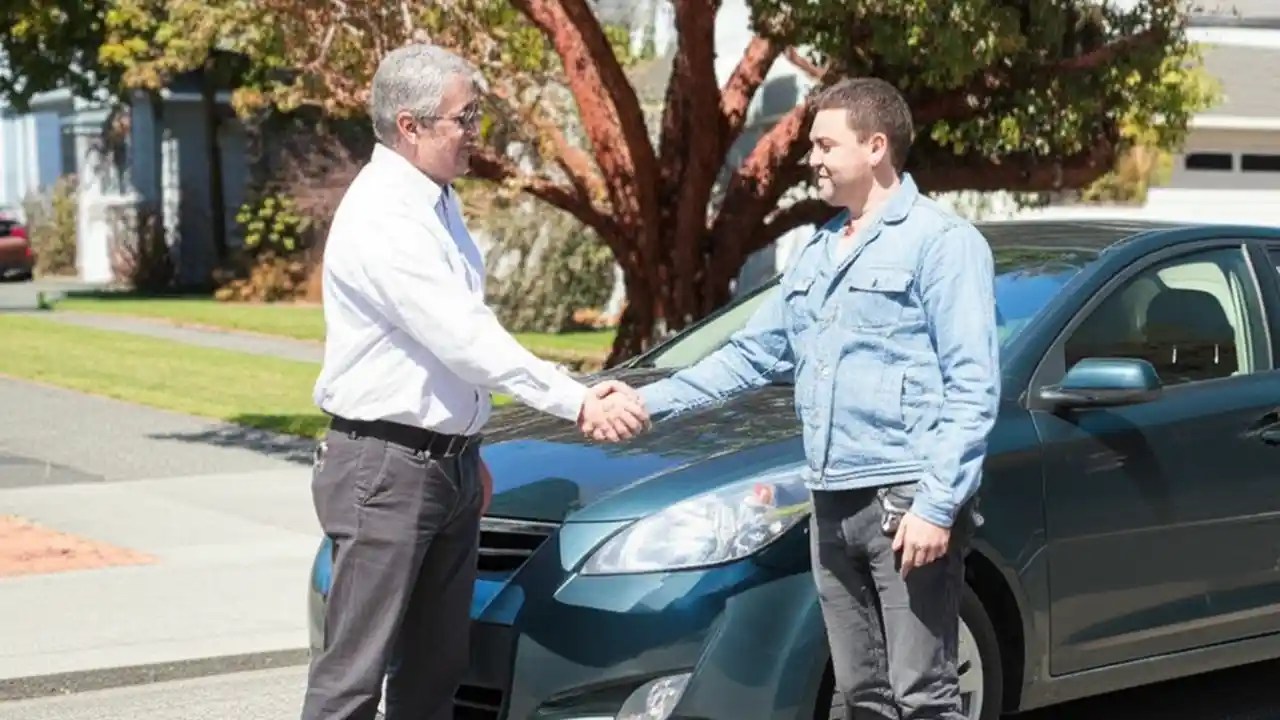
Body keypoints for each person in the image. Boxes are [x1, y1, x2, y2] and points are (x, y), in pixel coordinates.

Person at [629, 77, 1000, 719]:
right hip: (830, 502)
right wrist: (649, 401)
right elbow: (750, 353)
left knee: (925, 695)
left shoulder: (942, 243)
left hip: (903, 500)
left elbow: (974, 385)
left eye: (826, 145)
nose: (813, 160)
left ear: (876, 146)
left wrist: (938, 507)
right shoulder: (819, 252)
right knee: (861, 696)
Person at [300, 43, 646, 720]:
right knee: (353, 677)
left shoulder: (436, 201)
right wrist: (575, 400)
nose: (474, 133)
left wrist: (468, 449)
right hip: (385, 469)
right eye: (463, 119)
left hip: (443, 469)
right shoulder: (385, 217)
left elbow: (448, 352)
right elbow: (463, 338)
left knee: (435, 669)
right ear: (410, 126)